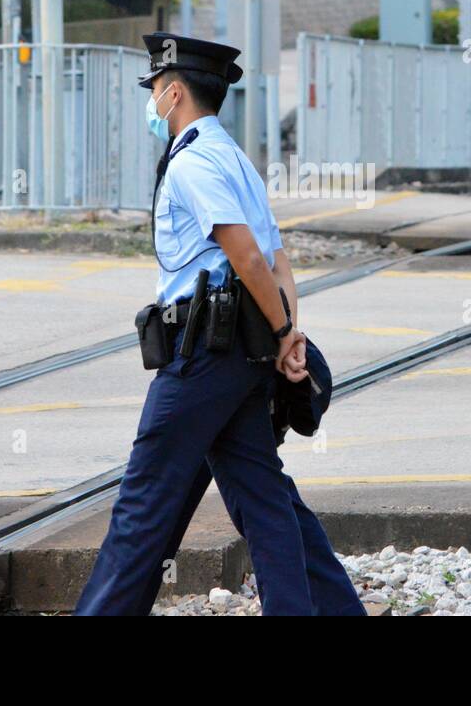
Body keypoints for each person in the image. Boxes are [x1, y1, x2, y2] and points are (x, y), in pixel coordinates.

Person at [74, 32, 362, 617]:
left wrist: (285, 337)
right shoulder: (232, 156)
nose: (152, 101)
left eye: (154, 89)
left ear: (174, 92)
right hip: (240, 352)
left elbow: (249, 258)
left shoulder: (194, 162)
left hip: (203, 354)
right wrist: (287, 337)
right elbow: (279, 260)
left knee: (144, 502)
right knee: (263, 495)